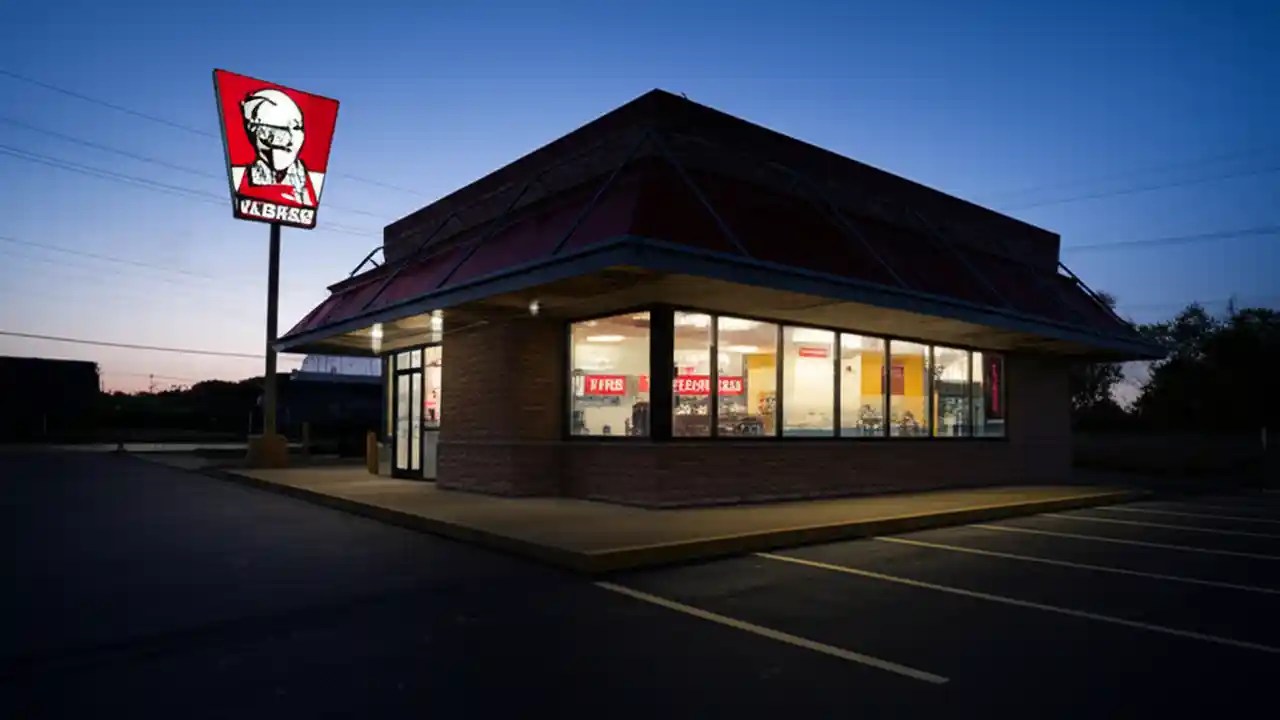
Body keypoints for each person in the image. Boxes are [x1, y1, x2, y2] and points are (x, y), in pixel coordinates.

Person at [236, 89, 314, 207]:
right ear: (255, 129)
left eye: (297, 128)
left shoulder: (309, 182)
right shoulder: (243, 177)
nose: (291, 139)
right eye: (279, 128)